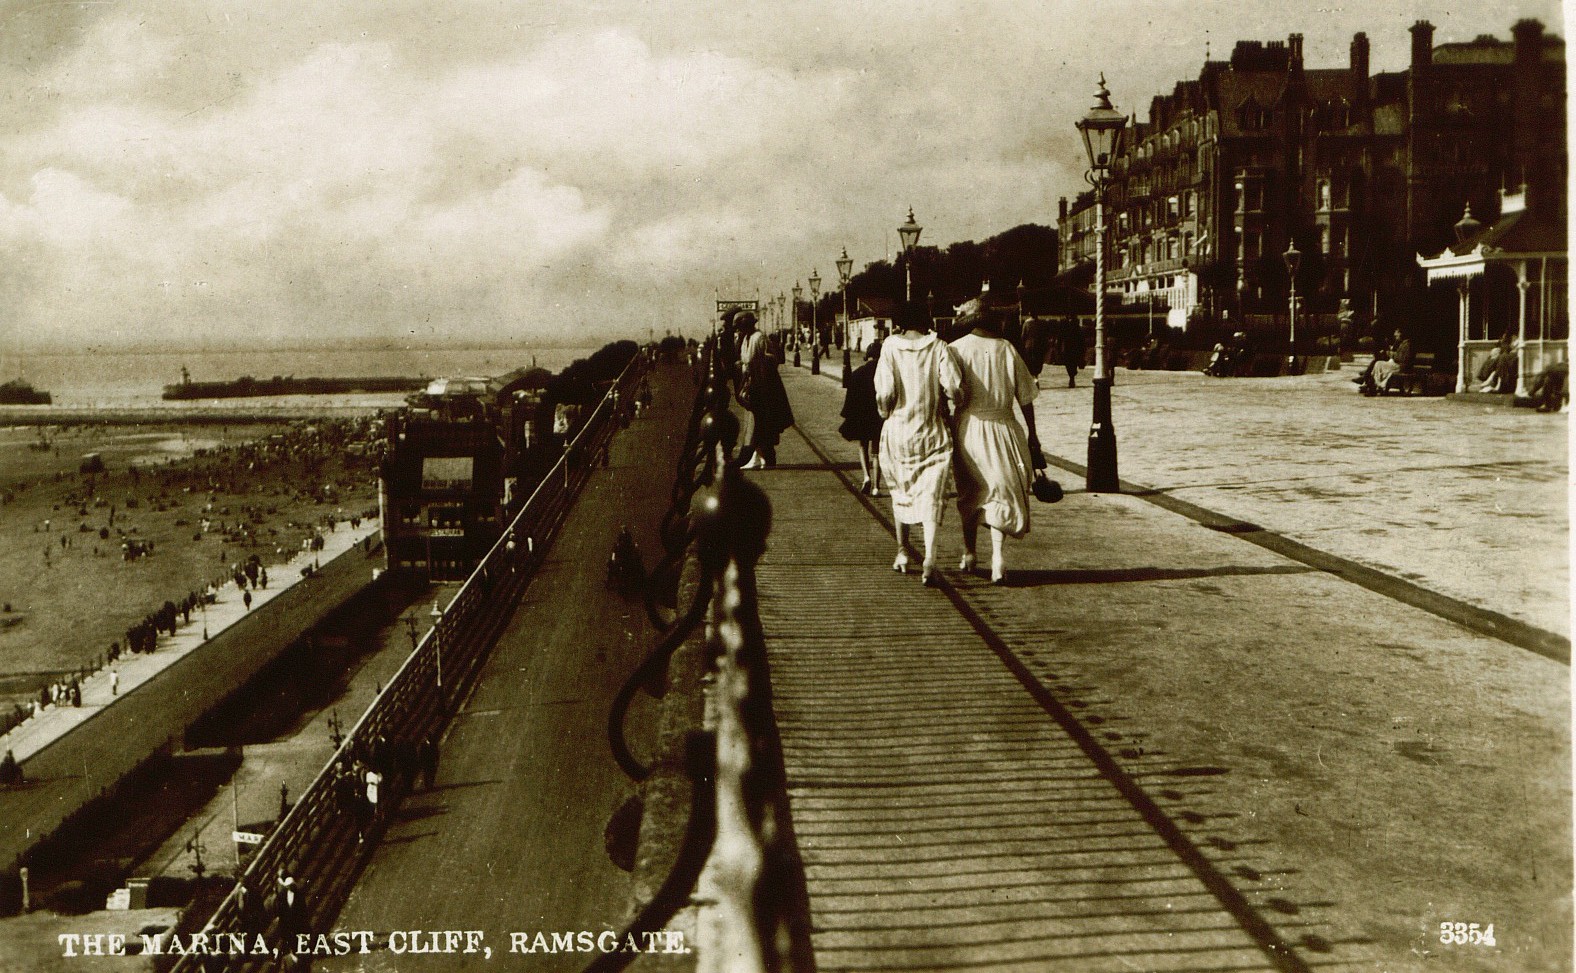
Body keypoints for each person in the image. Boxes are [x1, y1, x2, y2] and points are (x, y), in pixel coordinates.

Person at [950, 302, 1042, 584]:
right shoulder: (1008, 349)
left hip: (969, 427)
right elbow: (1025, 398)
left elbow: (948, 395)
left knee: (971, 491)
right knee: (1001, 491)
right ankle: (998, 557)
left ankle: (969, 553)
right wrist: (1033, 434)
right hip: (1004, 427)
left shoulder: (955, 349)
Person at [876, 301, 965, 586]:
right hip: (932, 431)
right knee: (932, 496)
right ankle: (930, 559)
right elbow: (952, 386)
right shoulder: (939, 346)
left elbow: (885, 391)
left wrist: (886, 411)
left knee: (900, 491)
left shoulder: (890, 346)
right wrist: (956, 399)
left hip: (899, 432)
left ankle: (902, 551)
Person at [735, 311, 795, 469]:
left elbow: (771, 359)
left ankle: (761, 457)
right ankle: (760, 457)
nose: (739, 330)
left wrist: (755, 366)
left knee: (761, 421)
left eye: (741, 327)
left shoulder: (759, 338)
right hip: (751, 383)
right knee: (755, 422)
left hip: (763, 385)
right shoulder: (746, 339)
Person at [839, 338, 885, 496]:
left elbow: (850, 398)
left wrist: (848, 414)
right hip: (879, 416)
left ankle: (866, 477)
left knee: (862, 446)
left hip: (862, 416)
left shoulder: (857, 373)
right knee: (877, 451)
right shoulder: (884, 372)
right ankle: (877, 486)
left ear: (868, 355)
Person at [1058, 317, 1086, 388]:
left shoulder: (1076, 329)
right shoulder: (1067, 329)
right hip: (1070, 349)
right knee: (1070, 364)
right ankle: (1072, 377)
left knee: (1071, 364)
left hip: (1073, 348)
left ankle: (1072, 377)